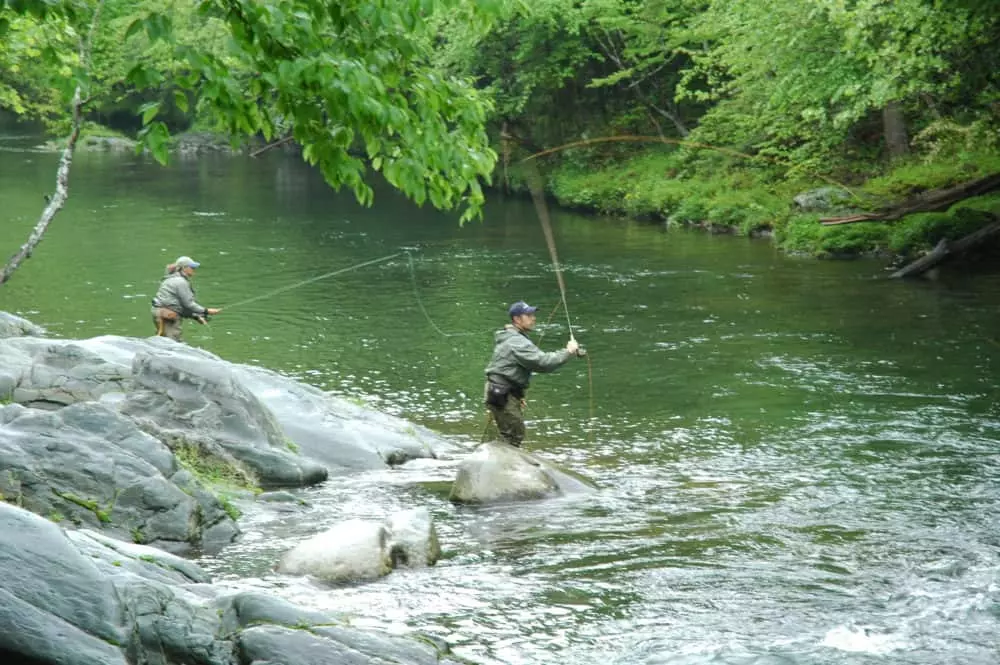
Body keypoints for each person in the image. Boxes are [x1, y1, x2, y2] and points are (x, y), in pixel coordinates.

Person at [483, 300, 580, 448]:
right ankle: (499, 461)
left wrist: (518, 395)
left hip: (502, 392)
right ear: (517, 319)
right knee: (513, 435)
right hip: (501, 393)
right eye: (528, 315)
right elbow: (543, 363)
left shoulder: (512, 337)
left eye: (533, 315)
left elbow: (507, 369)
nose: (533, 318)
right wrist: (568, 351)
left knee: (511, 433)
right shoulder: (516, 341)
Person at [151, 256, 221, 341]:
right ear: (184, 268)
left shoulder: (170, 279)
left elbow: (178, 305)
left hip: (160, 313)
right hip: (169, 315)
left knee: (163, 339)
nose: (194, 269)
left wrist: (196, 316)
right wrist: (206, 311)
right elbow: (188, 304)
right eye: (192, 267)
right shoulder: (180, 282)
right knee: (173, 342)